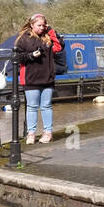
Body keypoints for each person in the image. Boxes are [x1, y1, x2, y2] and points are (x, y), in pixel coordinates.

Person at [13, 13, 62, 144]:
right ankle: (31, 133)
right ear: (32, 25)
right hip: (31, 78)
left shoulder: (48, 38)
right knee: (32, 107)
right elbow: (17, 57)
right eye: (39, 25)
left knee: (46, 106)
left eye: (43, 25)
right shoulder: (24, 39)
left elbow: (60, 45)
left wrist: (51, 30)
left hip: (47, 78)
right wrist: (30, 55)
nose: (41, 28)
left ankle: (48, 132)